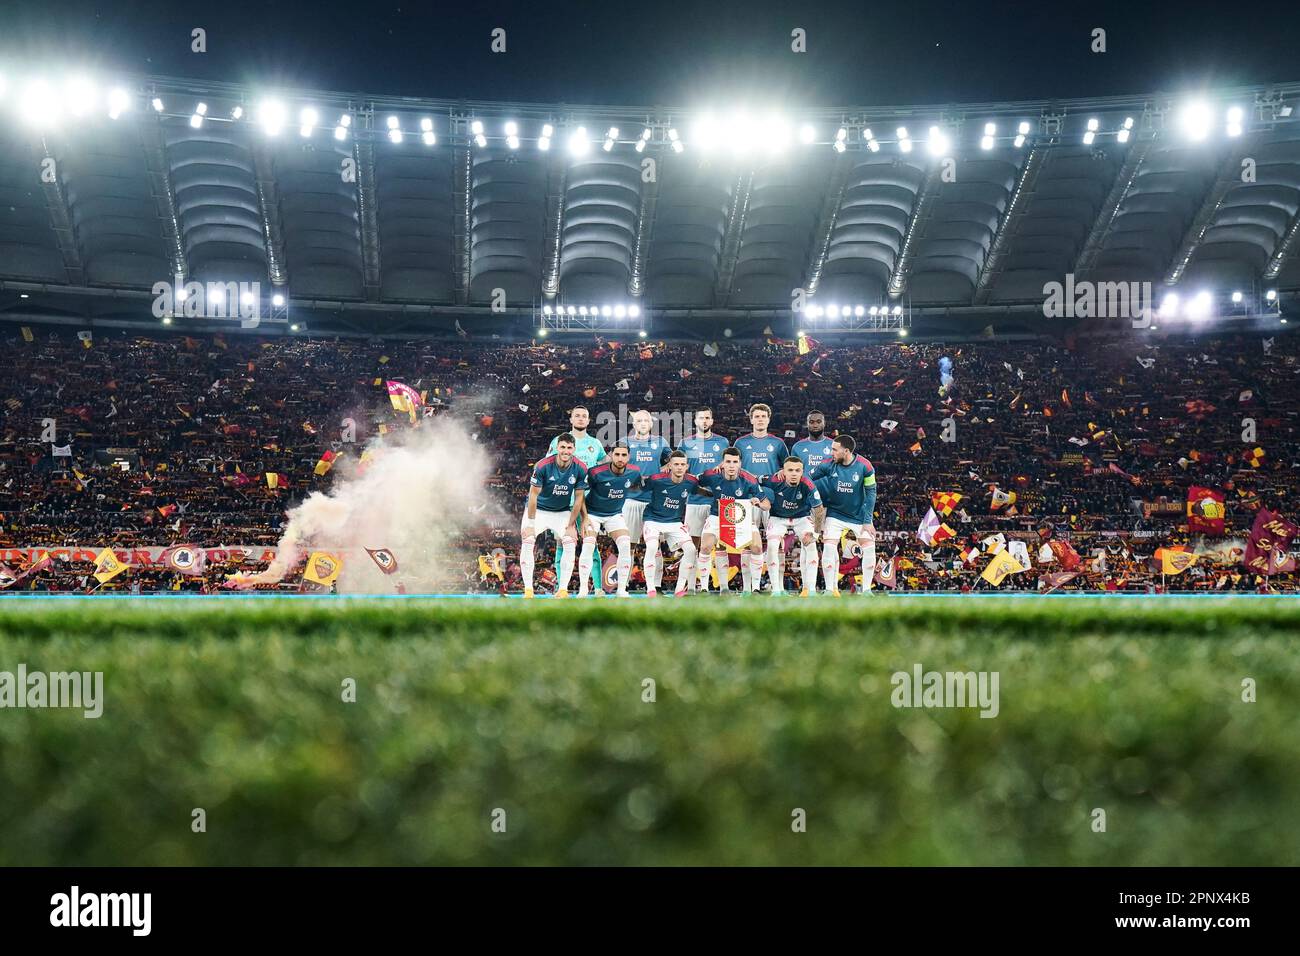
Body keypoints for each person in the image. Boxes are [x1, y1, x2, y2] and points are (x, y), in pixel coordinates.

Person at [808, 434, 877, 596]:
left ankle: (867, 590)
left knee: (870, 548)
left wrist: (868, 521)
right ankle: (829, 590)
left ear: (846, 451)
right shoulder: (828, 464)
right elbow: (808, 478)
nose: (831, 452)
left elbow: (871, 493)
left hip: (859, 516)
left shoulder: (865, 467)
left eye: (834, 449)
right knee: (829, 547)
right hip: (835, 514)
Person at [546, 405, 606, 592]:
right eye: (577, 416)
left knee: (591, 543)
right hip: (563, 501)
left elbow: (604, 469)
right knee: (562, 543)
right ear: (571, 419)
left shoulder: (595, 444)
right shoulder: (559, 440)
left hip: (588, 501)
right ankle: (561, 588)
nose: (580, 419)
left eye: (584, 416)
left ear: (588, 421)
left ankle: (597, 589)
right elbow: (548, 466)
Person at [695, 447, 770, 594]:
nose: (731, 465)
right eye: (728, 461)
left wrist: (758, 503)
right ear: (722, 463)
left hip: (741, 515)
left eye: (735, 462)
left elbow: (766, 505)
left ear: (740, 463)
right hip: (717, 515)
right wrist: (707, 494)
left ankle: (755, 588)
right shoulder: (712, 474)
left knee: (757, 547)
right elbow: (692, 482)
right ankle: (704, 588)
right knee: (705, 547)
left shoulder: (749, 479)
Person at [521, 434, 587, 598]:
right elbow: (533, 496)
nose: (565, 451)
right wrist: (530, 523)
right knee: (528, 540)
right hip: (539, 511)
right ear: (557, 447)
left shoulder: (580, 468)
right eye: (563, 447)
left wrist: (572, 525)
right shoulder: (543, 466)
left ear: (574, 449)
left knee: (570, 542)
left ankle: (563, 590)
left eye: (569, 447)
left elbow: (579, 498)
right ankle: (528, 590)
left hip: (562, 511)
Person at [734, 403, 788, 590]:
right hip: (747, 498)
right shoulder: (740, 443)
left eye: (763, 416)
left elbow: (786, 469)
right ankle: (748, 588)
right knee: (746, 543)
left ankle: (778, 587)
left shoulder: (778, 443)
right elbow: (734, 468)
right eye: (756, 416)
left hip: (772, 499)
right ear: (751, 419)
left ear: (768, 419)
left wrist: (782, 471)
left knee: (777, 544)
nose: (760, 419)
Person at [679, 408, 730, 589]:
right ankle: (692, 587)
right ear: (695, 421)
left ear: (712, 420)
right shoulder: (686, 443)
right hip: (694, 500)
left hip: (719, 501)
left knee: (722, 545)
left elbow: (729, 465)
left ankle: (724, 587)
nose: (705, 421)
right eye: (701, 418)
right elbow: (680, 469)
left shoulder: (722, 442)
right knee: (692, 545)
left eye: (708, 417)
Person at [581, 443, 641, 597]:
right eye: (617, 454)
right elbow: (580, 493)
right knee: (588, 546)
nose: (620, 458)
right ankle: (583, 590)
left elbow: (636, 486)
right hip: (592, 513)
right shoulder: (595, 472)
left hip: (614, 514)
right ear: (611, 455)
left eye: (623, 455)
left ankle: (621, 590)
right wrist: (585, 517)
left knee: (626, 545)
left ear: (628, 457)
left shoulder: (634, 472)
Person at [763, 456, 825, 596]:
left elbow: (819, 509)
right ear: (783, 471)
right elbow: (753, 480)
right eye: (790, 470)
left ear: (802, 471)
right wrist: (758, 497)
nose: (794, 474)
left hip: (801, 517)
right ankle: (776, 590)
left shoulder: (808, 483)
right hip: (778, 517)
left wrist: (815, 534)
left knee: (811, 545)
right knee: (772, 546)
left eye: (798, 470)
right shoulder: (774, 479)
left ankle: (811, 590)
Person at [623, 408, 672, 583]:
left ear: (651, 424)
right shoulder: (624, 442)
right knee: (629, 544)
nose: (642, 424)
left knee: (655, 544)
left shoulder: (660, 442)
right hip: (631, 499)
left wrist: (668, 467)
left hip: (654, 500)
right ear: (633, 424)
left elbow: (674, 460)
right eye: (639, 421)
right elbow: (614, 464)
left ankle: (656, 585)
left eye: (646, 421)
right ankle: (624, 584)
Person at [641, 451, 699, 597]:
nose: (679, 467)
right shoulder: (657, 479)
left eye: (682, 465)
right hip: (652, 519)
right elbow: (640, 486)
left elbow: (700, 490)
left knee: (691, 549)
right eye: (676, 464)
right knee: (653, 547)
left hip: (674, 522)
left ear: (687, 466)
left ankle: (679, 589)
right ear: (670, 466)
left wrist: (714, 496)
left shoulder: (691, 481)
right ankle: (651, 589)